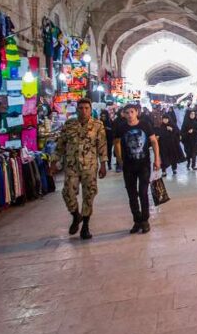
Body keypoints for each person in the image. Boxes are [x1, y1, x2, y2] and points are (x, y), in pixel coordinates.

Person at [57, 98, 107, 240]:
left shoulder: (98, 125)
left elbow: (102, 145)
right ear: (77, 109)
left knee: (89, 195)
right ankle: (75, 215)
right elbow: (60, 144)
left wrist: (103, 164)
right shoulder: (69, 125)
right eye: (81, 108)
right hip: (72, 166)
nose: (84, 111)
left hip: (90, 167)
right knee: (68, 193)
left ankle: (85, 226)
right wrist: (54, 161)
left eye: (86, 108)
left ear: (91, 110)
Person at [114, 104, 160, 234]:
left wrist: (157, 159)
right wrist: (119, 159)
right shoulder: (121, 127)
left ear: (137, 112)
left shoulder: (145, 125)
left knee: (143, 192)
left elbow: (154, 141)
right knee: (132, 194)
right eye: (127, 112)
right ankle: (137, 220)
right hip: (128, 166)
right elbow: (116, 142)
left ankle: (145, 220)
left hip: (144, 165)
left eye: (132, 112)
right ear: (123, 114)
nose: (129, 115)